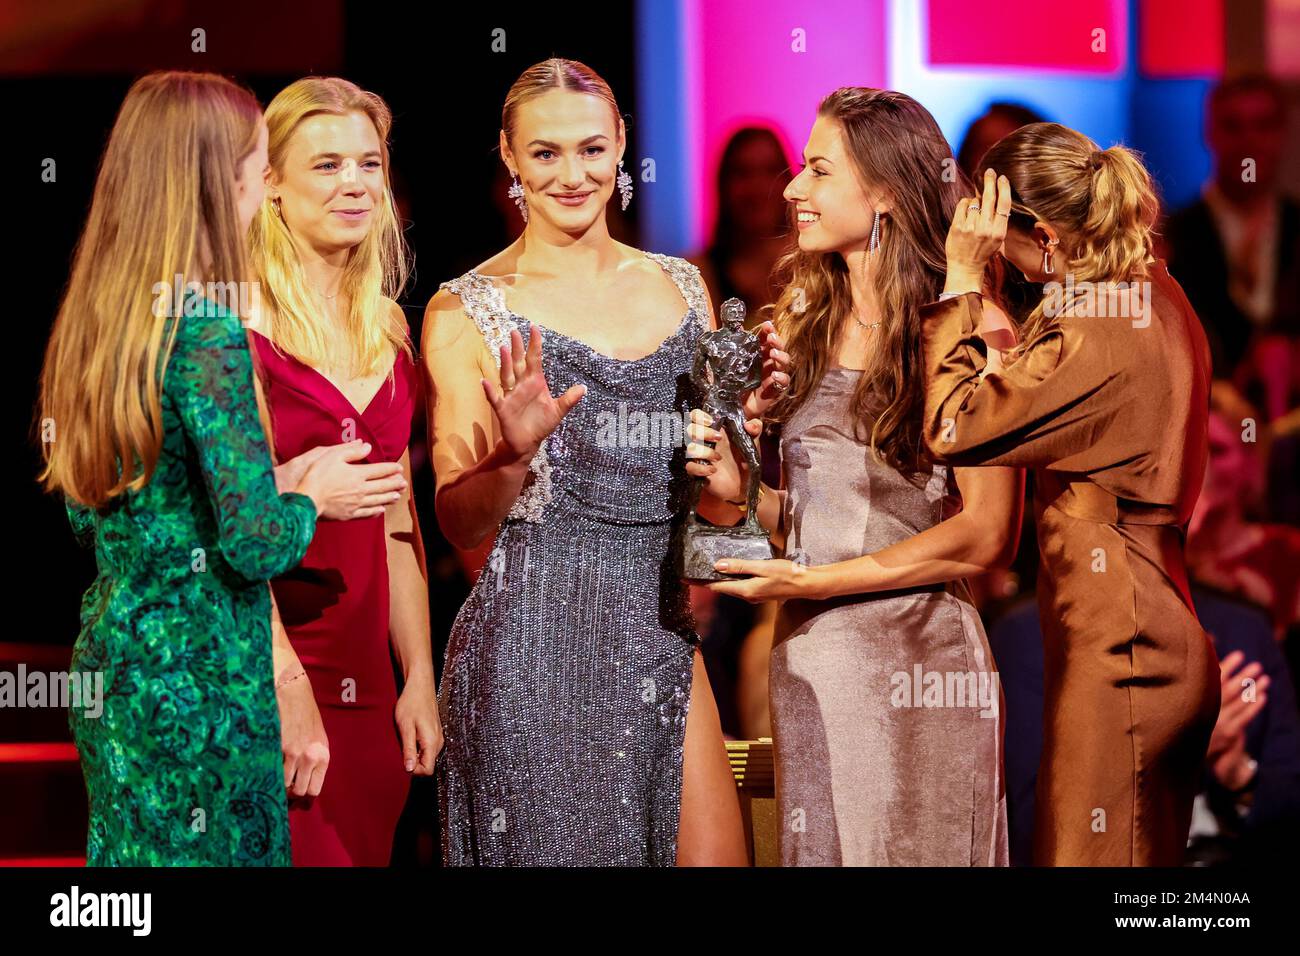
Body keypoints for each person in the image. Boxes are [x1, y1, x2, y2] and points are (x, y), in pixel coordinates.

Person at [424, 58, 787, 865]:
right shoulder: (466, 307)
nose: (572, 174)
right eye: (545, 153)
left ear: (622, 144)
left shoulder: (683, 286)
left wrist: (741, 455)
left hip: (662, 629)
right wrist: (513, 457)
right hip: (532, 644)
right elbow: (455, 516)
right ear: (510, 159)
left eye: (591, 149)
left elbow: (715, 510)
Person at [39, 71, 371, 865]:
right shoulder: (207, 329)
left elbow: (106, 511)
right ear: (217, 179)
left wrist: (273, 485)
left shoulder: (100, 322)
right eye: (258, 162)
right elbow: (256, 545)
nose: (262, 180)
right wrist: (312, 495)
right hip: (203, 678)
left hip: (116, 667)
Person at [690, 88, 1021, 866]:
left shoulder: (972, 325)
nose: (790, 189)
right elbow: (801, 520)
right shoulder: (798, 322)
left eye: (816, 170)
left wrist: (814, 583)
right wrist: (733, 479)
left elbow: (986, 536)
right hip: (812, 665)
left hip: (920, 665)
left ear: (882, 191)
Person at [921, 123, 1220, 865]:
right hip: (1150, 624)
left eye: (998, 235)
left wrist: (961, 285)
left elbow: (954, 426)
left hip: (1122, 646)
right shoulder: (1150, 291)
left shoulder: (1091, 328)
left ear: (1047, 238)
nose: (993, 251)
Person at [247, 76, 439, 866]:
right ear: (272, 186)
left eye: (369, 163)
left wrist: (417, 675)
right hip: (275, 669)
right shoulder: (238, 324)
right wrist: (288, 688)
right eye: (326, 166)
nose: (355, 183)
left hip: (369, 682)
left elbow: (397, 521)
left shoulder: (388, 324)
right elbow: (227, 526)